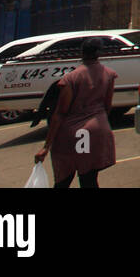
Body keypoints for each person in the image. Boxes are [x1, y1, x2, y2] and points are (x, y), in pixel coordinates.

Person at [34, 37, 118, 188]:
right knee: (89, 178)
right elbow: (107, 106)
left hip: (77, 134)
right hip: (98, 131)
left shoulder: (71, 78)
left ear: (82, 53)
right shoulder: (109, 74)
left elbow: (60, 113)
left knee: (64, 179)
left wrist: (46, 146)